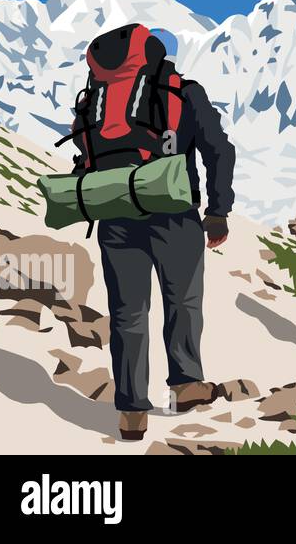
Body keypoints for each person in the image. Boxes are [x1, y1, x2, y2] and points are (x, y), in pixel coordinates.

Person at [67, 25, 235, 442]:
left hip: (115, 213)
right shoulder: (183, 92)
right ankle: (185, 385)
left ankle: (130, 412)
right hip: (173, 213)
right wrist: (217, 211)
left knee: (128, 313)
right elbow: (219, 149)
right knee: (182, 301)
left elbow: (85, 152)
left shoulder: (95, 98)